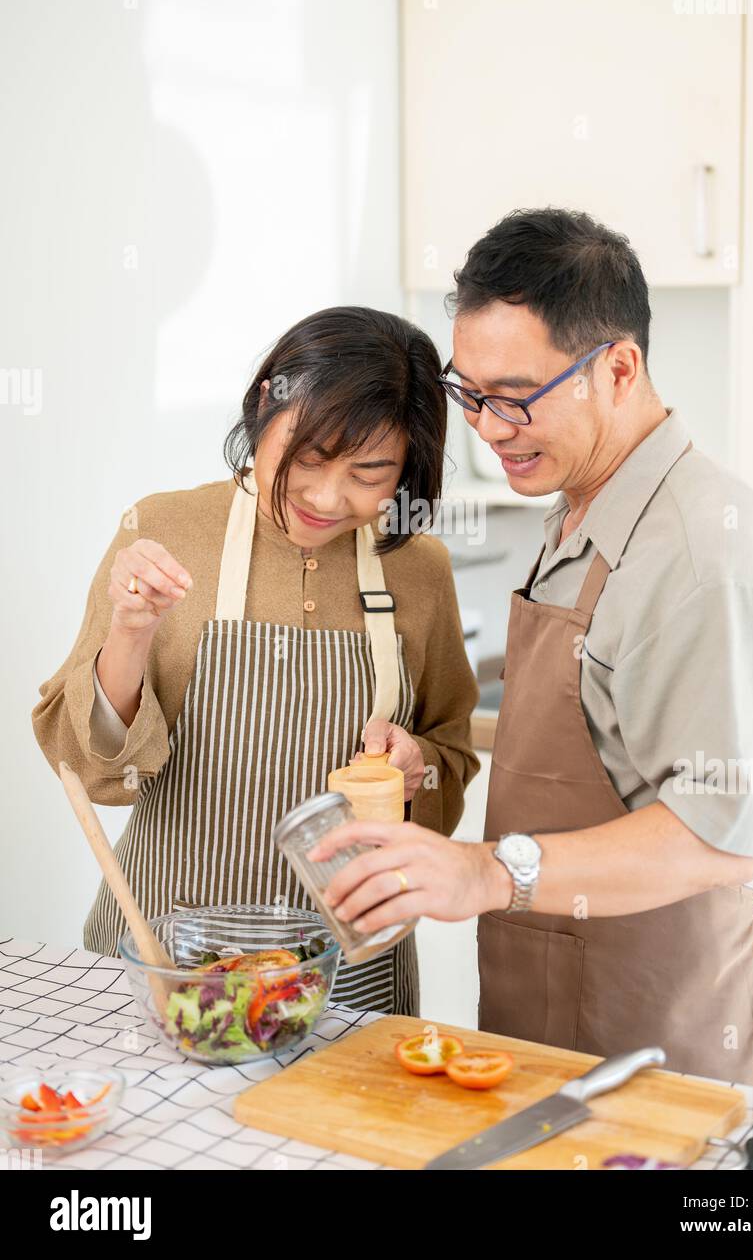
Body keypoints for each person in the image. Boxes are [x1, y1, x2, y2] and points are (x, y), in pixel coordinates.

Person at [307, 211, 753, 1085]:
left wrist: (487, 872)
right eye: (472, 395)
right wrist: (424, 765)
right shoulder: (582, 500)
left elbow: (729, 835)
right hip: (556, 1010)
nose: (489, 429)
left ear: (618, 368)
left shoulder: (701, 551)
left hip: (661, 1035)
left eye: (516, 395)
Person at [33, 305, 480, 1014]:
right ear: (264, 406)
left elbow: (449, 757)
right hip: (167, 958)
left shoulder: (420, 570)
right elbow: (95, 774)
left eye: (370, 472)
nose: (328, 496)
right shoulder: (163, 528)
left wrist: (414, 765)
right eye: (309, 457)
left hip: (345, 976)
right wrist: (128, 632)